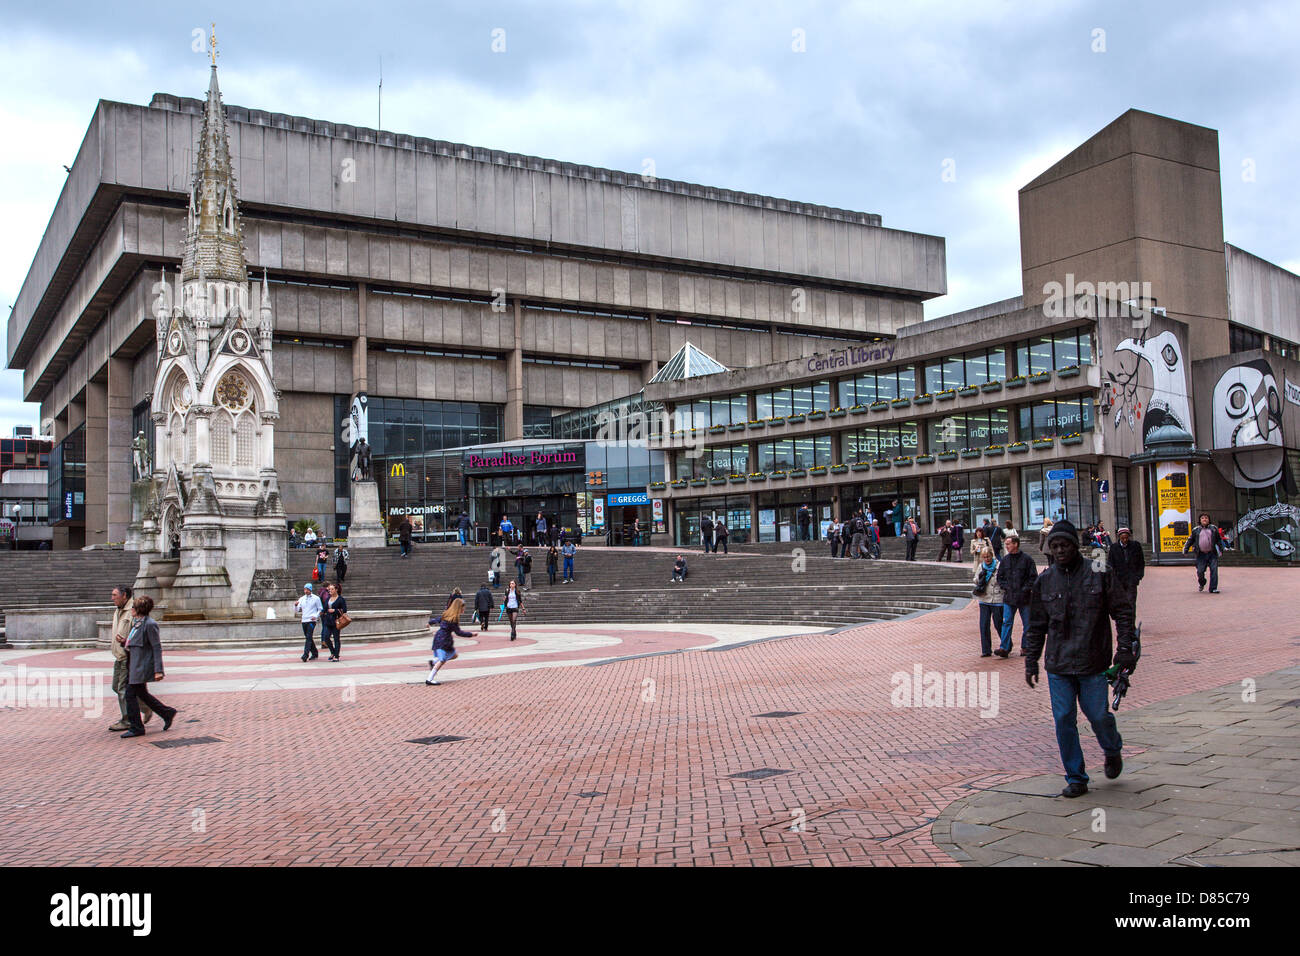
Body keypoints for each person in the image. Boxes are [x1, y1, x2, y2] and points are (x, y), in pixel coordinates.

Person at [1023, 519, 1136, 798]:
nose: (1059, 550)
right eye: (1055, 546)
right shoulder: (1045, 581)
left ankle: (1112, 749)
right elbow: (1036, 625)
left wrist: (1124, 650)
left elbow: (1122, 612)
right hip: (1058, 663)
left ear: (1075, 546)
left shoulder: (1099, 571)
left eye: (1064, 545)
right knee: (1063, 719)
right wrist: (1031, 660)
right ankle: (1076, 777)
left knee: (1098, 715)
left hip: (1093, 660)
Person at [119, 596, 178, 738]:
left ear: (139, 609)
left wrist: (158, 670)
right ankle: (166, 712)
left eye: (134, 607)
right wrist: (124, 642)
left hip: (141, 666)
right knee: (141, 694)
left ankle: (136, 727)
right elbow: (136, 643)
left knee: (130, 695)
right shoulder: (137, 623)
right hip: (133, 664)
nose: (131, 609)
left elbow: (156, 647)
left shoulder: (150, 624)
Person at [108, 585, 151, 732]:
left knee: (123, 690)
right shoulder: (118, 610)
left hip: (128, 655)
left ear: (124, 596)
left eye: (115, 595)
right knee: (116, 686)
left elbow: (139, 633)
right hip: (118, 655)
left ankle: (127, 719)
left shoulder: (133, 610)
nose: (112, 598)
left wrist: (126, 641)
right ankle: (146, 706)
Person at [996, 533, 1037, 656]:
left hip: (1024, 598)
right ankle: (1004, 647)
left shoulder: (1027, 559)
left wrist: (1025, 589)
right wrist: (1006, 587)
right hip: (1009, 597)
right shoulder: (1005, 560)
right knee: (1007, 622)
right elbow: (1000, 577)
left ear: (1016, 544)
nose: (1006, 546)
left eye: (1008, 544)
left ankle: (1025, 647)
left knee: (1027, 624)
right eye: (1006, 544)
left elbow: (1033, 577)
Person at [425, 597, 473, 685]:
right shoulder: (453, 619)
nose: (464, 609)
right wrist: (471, 634)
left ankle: (434, 662)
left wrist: (430, 622)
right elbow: (459, 633)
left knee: (454, 655)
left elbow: (437, 619)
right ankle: (429, 679)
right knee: (442, 660)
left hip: (440, 638)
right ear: (459, 608)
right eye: (463, 608)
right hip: (444, 640)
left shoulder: (447, 614)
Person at [973, 547, 1006, 658]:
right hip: (984, 598)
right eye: (984, 557)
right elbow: (976, 580)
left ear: (992, 555)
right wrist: (980, 578)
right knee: (984, 625)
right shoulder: (981, 566)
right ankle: (986, 650)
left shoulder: (999, 565)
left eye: (988, 556)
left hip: (997, 598)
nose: (986, 559)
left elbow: (1003, 580)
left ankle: (1006, 645)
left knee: (999, 623)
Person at [1183, 513, 1225, 593]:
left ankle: (1213, 588)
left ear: (1209, 520)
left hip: (1212, 553)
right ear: (1200, 520)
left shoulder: (1214, 529)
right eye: (1202, 518)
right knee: (1200, 571)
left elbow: (1218, 540)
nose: (1204, 519)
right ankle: (1202, 582)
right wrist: (1186, 549)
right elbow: (1190, 540)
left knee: (1214, 570)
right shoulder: (1196, 530)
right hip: (1201, 554)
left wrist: (1221, 549)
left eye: (1206, 518)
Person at [1109, 527, 1145, 612]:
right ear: (1119, 537)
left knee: (1131, 602)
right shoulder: (1114, 547)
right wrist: (1113, 578)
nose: (1125, 540)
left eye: (1126, 538)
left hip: (1131, 580)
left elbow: (1141, 562)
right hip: (1119, 580)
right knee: (1120, 603)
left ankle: (1131, 624)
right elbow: (1110, 564)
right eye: (1122, 538)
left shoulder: (1136, 546)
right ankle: (1123, 623)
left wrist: (1138, 576)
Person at [295, 583, 323, 661]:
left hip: (311, 620)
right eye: (305, 589)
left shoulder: (316, 598)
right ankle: (315, 653)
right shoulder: (302, 598)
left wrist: (316, 616)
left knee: (308, 637)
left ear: (310, 590)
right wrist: (295, 605)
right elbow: (297, 610)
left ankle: (305, 654)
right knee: (308, 637)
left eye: (307, 589)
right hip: (304, 620)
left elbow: (320, 609)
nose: (306, 591)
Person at [320, 583, 348, 662]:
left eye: (332, 589)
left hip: (336, 621)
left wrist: (335, 610)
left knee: (336, 638)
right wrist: (321, 612)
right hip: (328, 621)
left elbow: (344, 610)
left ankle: (336, 655)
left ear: (336, 590)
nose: (330, 591)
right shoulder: (328, 598)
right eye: (329, 589)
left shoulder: (340, 599)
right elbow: (325, 608)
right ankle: (332, 651)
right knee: (326, 637)